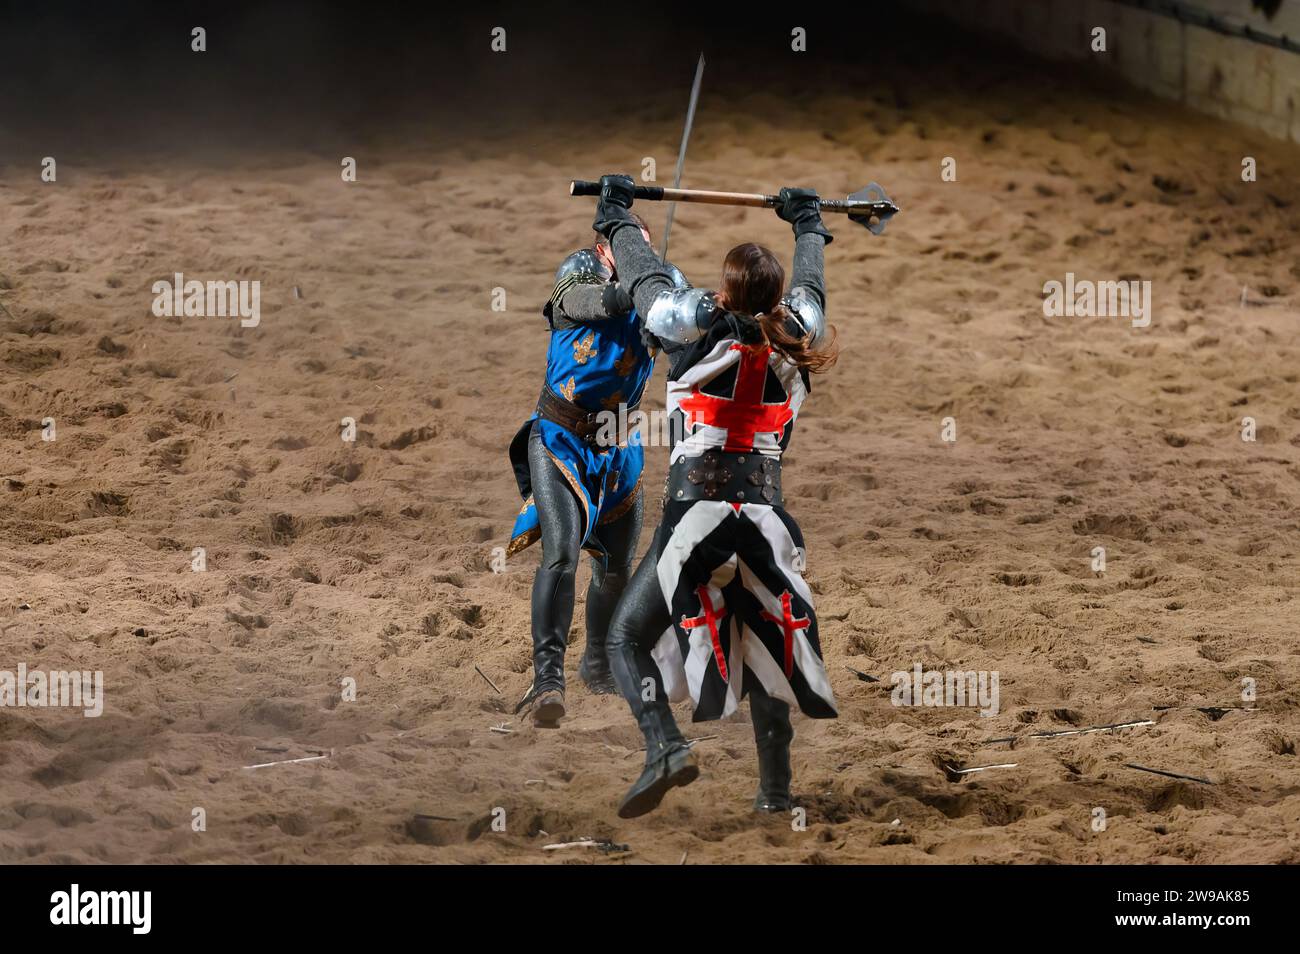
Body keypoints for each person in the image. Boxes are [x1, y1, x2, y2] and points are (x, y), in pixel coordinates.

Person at [590, 174, 839, 818]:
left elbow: (646, 285)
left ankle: (665, 747)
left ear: (725, 289)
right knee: (766, 653)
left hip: (694, 520)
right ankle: (775, 797)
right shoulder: (797, 335)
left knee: (624, 638)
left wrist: (619, 216)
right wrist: (808, 224)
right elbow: (811, 290)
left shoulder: (691, 329)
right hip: (765, 521)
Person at [505, 215, 686, 727]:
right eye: (626, 248)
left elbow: (690, 338)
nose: (634, 258)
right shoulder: (580, 276)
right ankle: (547, 681)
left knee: (614, 568)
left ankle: (599, 667)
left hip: (618, 449)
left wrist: (678, 308)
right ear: (605, 249)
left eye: (641, 251)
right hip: (560, 439)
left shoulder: (657, 287)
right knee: (560, 557)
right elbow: (597, 305)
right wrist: (649, 290)